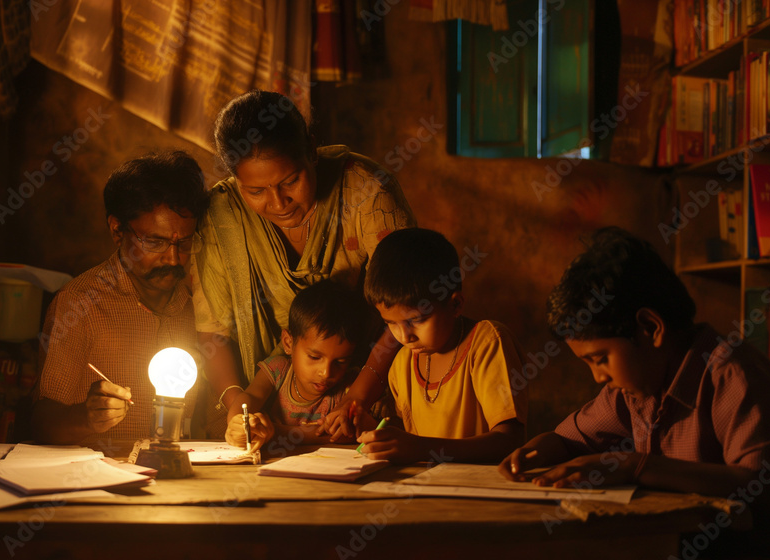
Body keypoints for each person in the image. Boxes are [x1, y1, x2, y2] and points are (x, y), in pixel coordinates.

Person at [498, 227, 770, 549]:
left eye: (600, 359)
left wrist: (637, 467)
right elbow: (567, 440)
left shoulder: (736, 377)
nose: (597, 377)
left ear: (650, 328)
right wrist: (535, 451)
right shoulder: (635, 390)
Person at [192, 90, 416, 429]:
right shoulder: (223, 215)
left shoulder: (367, 191)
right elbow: (213, 331)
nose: (279, 203)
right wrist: (239, 402)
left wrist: (359, 394)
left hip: (365, 381)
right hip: (266, 398)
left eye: (290, 181)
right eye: (256, 191)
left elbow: (408, 303)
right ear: (238, 181)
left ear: (311, 150)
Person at [32, 151, 210, 446]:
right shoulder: (79, 304)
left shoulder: (197, 305)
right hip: (95, 481)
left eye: (185, 241)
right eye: (155, 241)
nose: (173, 257)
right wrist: (86, 417)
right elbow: (40, 423)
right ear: (117, 230)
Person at [354, 228, 527, 463]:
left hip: (482, 490)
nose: (404, 336)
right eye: (390, 323)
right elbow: (409, 434)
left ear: (455, 304)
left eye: (416, 320)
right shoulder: (403, 363)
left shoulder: (487, 343)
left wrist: (420, 448)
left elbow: (509, 441)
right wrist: (374, 431)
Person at [224, 280, 374, 451]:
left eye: (341, 362)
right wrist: (238, 423)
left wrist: (278, 432)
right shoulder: (277, 371)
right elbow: (250, 397)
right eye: (314, 356)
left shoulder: (351, 387)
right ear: (288, 343)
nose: (326, 373)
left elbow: (349, 434)